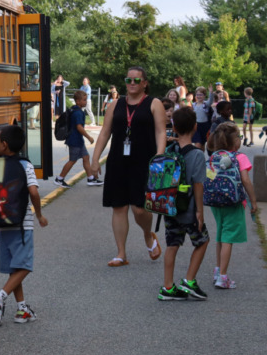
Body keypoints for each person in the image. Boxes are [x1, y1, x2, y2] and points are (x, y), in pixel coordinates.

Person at [91, 66, 167, 267]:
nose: (132, 83)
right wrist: (95, 159)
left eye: (136, 80)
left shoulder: (154, 103)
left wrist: (159, 156)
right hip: (118, 161)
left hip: (144, 161)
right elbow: (105, 133)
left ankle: (148, 235)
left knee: (140, 209)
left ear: (145, 83)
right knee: (119, 206)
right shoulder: (115, 104)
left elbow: (161, 132)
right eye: (128, 80)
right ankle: (121, 253)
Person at [0, 125, 48, 326]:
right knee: (25, 266)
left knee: (15, 268)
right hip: (21, 224)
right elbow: (34, 192)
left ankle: (22, 309)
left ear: (4, 145)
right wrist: (39, 215)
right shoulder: (25, 165)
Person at [157, 107, 210, 301]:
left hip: (169, 207)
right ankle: (189, 280)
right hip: (188, 210)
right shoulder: (197, 154)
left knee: (172, 244)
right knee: (202, 241)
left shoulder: (169, 150)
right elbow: (198, 184)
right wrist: (200, 211)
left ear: (174, 128)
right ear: (195, 126)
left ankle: (167, 287)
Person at [205, 122, 257, 289]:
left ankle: (217, 270)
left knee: (221, 235)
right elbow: (246, 180)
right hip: (233, 202)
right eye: (239, 137)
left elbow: (209, 178)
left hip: (216, 202)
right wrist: (253, 201)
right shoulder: (240, 157)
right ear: (235, 141)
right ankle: (223, 277)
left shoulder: (214, 156)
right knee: (228, 238)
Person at [53, 89, 102, 188]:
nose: (86, 101)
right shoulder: (78, 113)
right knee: (72, 160)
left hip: (78, 140)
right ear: (78, 101)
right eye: (84, 100)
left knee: (86, 157)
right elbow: (79, 127)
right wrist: (89, 137)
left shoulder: (74, 110)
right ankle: (60, 178)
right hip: (74, 140)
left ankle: (90, 178)